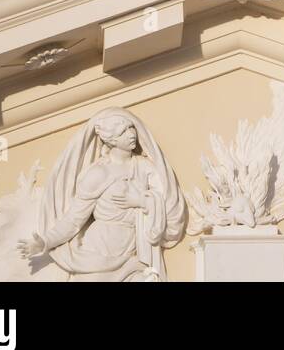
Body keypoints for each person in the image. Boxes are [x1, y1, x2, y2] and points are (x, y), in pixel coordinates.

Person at [17, 108, 186, 282]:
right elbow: (74, 219)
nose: (131, 134)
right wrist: (45, 242)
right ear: (110, 138)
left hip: (132, 252)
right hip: (98, 254)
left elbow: (164, 199)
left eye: (131, 128)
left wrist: (142, 201)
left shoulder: (144, 167)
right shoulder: (98, 174)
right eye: (123, 131)